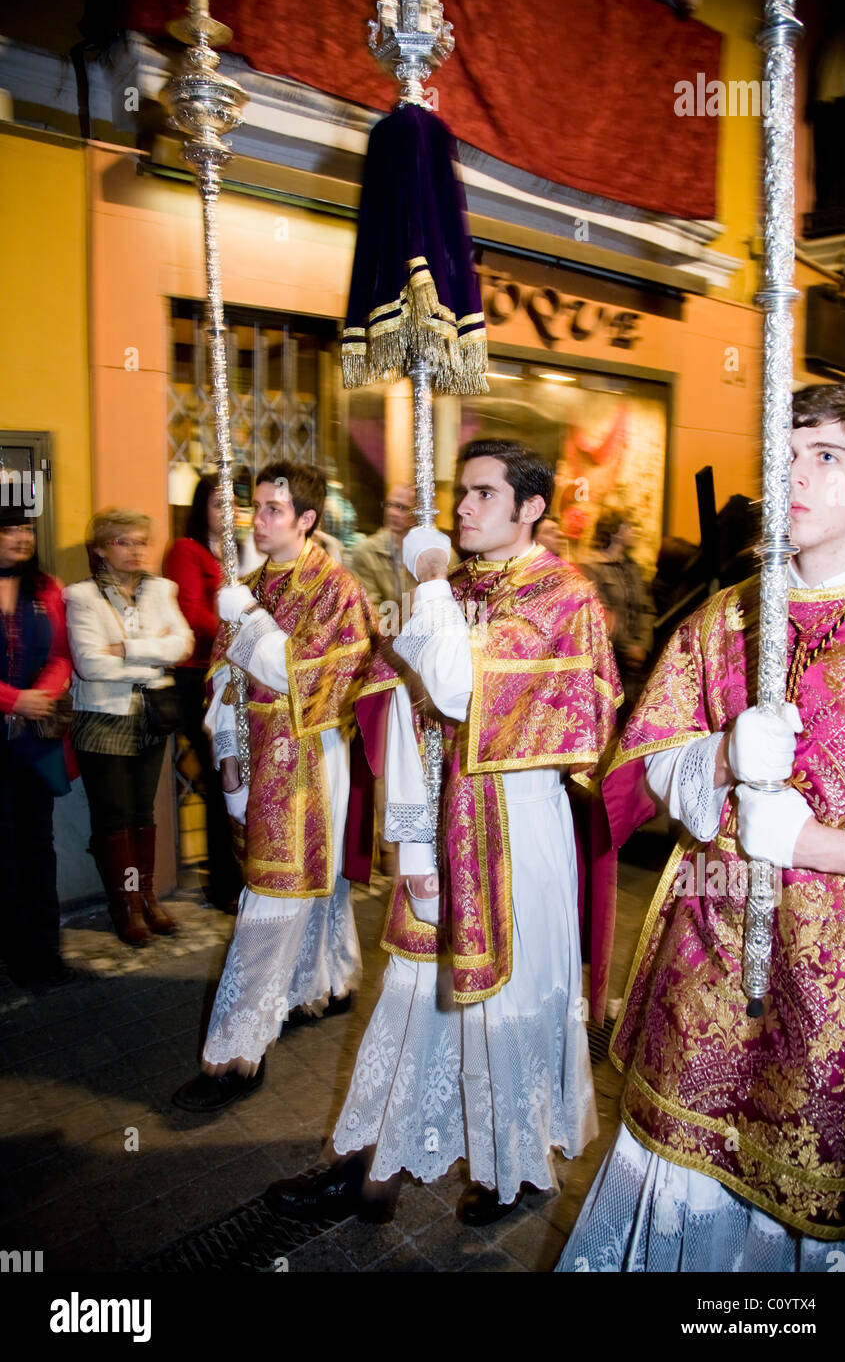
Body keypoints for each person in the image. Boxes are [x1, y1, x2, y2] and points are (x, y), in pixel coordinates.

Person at [266, 438, 621, 1225]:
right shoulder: (455, 585)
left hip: (517, 831)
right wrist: (412, 843)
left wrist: (426, 582)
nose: (462, 507)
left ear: (530, 507)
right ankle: (370, 1167)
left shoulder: (564, 600)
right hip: (438, 829)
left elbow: (462, 692)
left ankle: (516, 1168)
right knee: (411, 998)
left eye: (484, 494)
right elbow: (398, 709)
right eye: (461, 492)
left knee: (513, 1005)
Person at [557, 382, 845, 1272]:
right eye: (786, 450)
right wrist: (724, 756)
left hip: (837, 992)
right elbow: (644, 764)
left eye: (826, 454)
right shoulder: (730, 614)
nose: (792, 471)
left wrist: (823, 849)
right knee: (684, 1188)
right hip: (707, 955)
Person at [172, 461, 380, 1112]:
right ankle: (330, 979)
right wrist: (228, 751)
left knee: (270, 901)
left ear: (307, 520)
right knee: (312, 889)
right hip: (256, 756)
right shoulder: (251, 583)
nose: (255, 520)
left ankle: (234, 1053)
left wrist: (250, 619)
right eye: (254, 507)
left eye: (271, 510)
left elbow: (308, 679)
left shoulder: (335, 588)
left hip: (308, 761)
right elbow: (225, 681)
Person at [64, 509, 193, 946]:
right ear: (100, 549)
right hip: (103, 719)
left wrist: (126, 649)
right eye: (124, 542)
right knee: (114, 818)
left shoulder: (161, 589)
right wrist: (150, 657)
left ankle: (147, 896)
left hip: (151, 716)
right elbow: (88, 663)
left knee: (142, 814)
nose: (137, 550)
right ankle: (126, 903)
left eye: (141, 541)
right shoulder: (81, 596)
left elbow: (183, 644)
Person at [0, 506, 74, 988]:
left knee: (38, 846)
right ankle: (19, 955)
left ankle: (47, 950)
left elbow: (62, 655)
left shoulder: (47, 588)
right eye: (9, 529)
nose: (22, 537)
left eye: (26, 528)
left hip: (34, 740)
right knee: (5, 850)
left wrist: (43, 693)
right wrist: (13, 699)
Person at [164, 474, 243, 913]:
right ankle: (223, 883)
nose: (227, 514)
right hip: (199, 676)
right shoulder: (186, 551)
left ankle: (242, 870)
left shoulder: (239, 553)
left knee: (236, 774)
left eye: (234, 505)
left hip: (235, 676)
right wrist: (245, 638)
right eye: (218, 504)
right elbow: (191, 613)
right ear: (201, 508)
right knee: (218, 776)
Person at [583, 510, 655, 710]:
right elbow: (602, 613)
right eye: (629, 526)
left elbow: (647, 610)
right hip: (608, 661)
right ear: (615, 532)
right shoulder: (593, 567)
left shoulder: (633, 568)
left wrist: (642, 645)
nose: (635, 532)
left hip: (635, 665)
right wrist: (627, 647)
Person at [351, 485, 417, 614]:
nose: (392, 512)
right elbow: (370, 613)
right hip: (388, 631)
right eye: (389, 505)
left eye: (401, 507)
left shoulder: (438, 553)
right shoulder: (366, 552)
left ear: (416, 515)